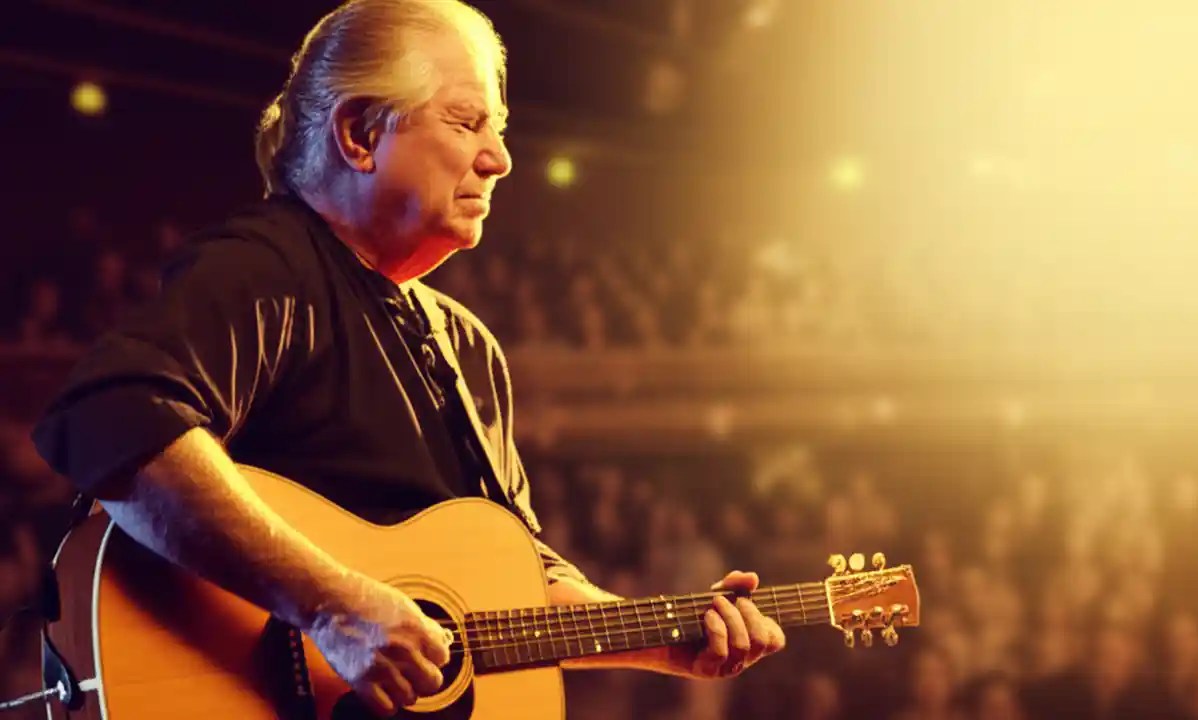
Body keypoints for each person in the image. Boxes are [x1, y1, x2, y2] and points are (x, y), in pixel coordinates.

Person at [29, 1, 785, 716]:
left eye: (499, 128)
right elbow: (109, 419)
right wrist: (331, 606)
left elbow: (506, 589)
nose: (501, 159)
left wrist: (665, 640)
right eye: (467, 122)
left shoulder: (468, 350)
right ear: (359, 134)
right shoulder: (268, 270)